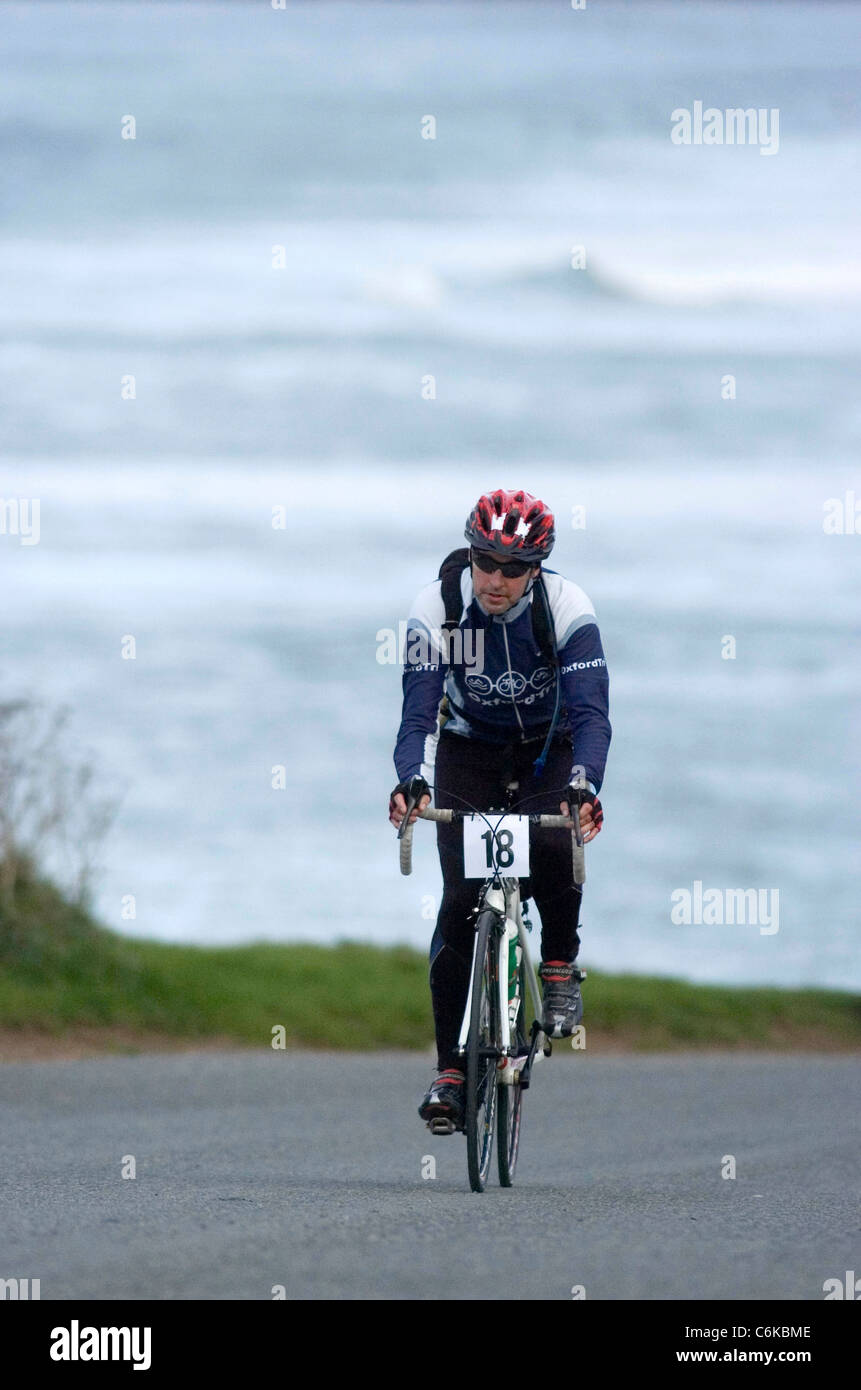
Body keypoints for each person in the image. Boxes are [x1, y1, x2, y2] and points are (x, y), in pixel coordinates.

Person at [389, 488, 611, 1131]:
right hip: (469, 750)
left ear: (536, 569)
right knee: (460, 899)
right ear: (471, 553)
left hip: (549, 749)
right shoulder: (442, 608)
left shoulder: (565, 607)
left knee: (552, 842)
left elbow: (594, 715)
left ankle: (561, 959)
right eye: (486, 561)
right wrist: (411, 779)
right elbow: (417, 712)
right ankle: (451, 1071)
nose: (496, 578)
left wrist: (584, 784)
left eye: (513, 568)